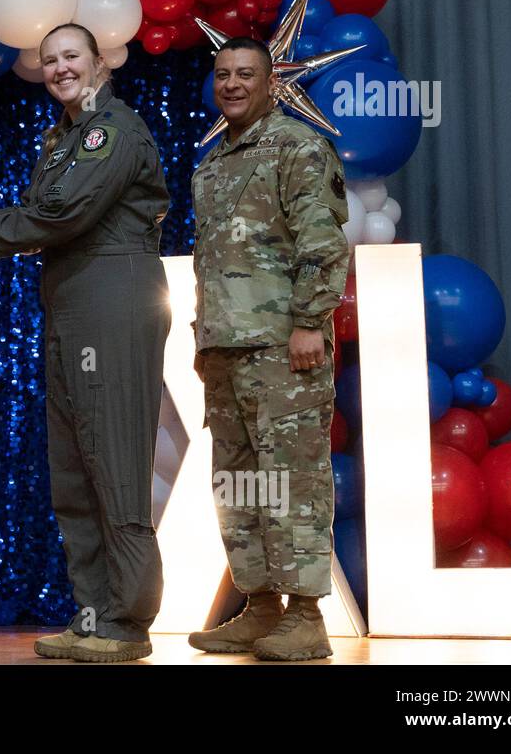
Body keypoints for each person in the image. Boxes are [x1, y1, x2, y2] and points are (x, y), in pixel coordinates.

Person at [0, 23, 171, 662]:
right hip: (71, 302)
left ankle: (128, 623)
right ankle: (94, 615)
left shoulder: (110, 131)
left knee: (116, 463)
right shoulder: (65, 137)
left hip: (113, 297)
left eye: (72, 56)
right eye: (49, 60)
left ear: (99, 62)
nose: (60, 68)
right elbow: (49, 216)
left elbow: (61, 216)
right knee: (76, 471)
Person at [187, 35, 350, 662]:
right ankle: (259, 607)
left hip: (285, 350)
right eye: (223, 73)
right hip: (226, 351)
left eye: (245, 73)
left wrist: (310, 321)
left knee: (290, 479)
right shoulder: (214, 162)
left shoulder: (299, 148)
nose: (231, 84)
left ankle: (306, 616)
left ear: (270, 81)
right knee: (242, 483)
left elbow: (324, 245)